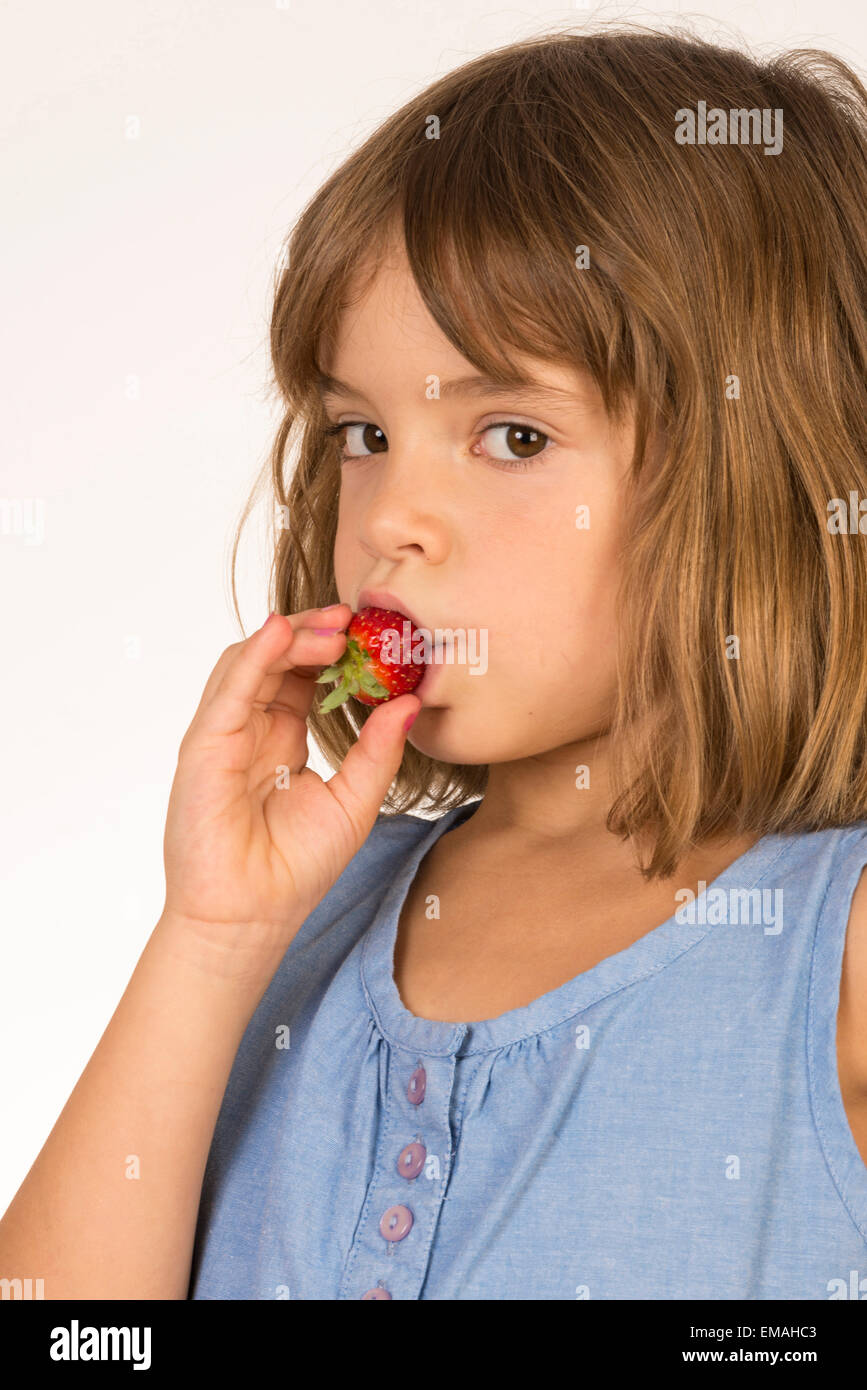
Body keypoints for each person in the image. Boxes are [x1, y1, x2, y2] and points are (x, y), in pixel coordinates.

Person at [3, 23, 867, 1301]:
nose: (393, 514)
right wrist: (210, 935)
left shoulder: (832, 952)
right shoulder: (301, 928)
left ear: (755, 476)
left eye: (511, 434)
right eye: (363, 431)